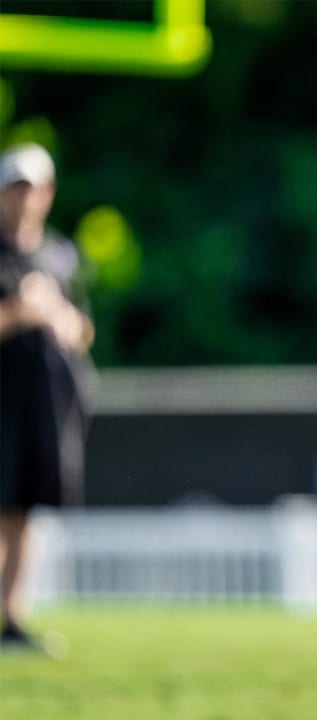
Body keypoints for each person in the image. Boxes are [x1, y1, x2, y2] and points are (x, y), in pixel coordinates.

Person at [0, 143, 95, 653]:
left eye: (33, 189)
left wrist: (59, 317)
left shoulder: (59, 254)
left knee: (21, 512)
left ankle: (11, 619)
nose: (24, 199)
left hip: (41, 405)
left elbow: (83, 330)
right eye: (15, 189)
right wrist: (22, 311)